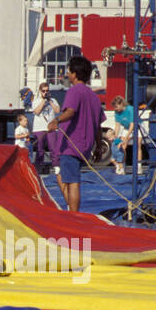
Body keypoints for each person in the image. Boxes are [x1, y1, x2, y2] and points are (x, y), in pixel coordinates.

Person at [47, 54, 103, 212]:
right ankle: (71, 208)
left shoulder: (74, 91)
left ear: (74, 74)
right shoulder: (94, 96)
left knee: (72, 181)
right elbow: (98, 125)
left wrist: (57, 120)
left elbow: (71, 111)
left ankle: (74, 215)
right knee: (61, 173)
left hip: (72, 145)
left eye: (69, 71)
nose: (67, 74)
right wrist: (98, 146)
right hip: (84, 146)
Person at [31, 80, 60, 173]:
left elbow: (57, 110)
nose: (45, 92)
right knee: (40, 149)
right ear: (40, 91)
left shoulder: (53, 100)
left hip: (51, 128)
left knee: (53, 148)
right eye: (43, 91)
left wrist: (50, 101)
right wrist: (43, 100)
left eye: (47, 91)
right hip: (39, 128)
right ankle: (39, 167)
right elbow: (37, 111)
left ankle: (56, 165)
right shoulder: (36, 101)